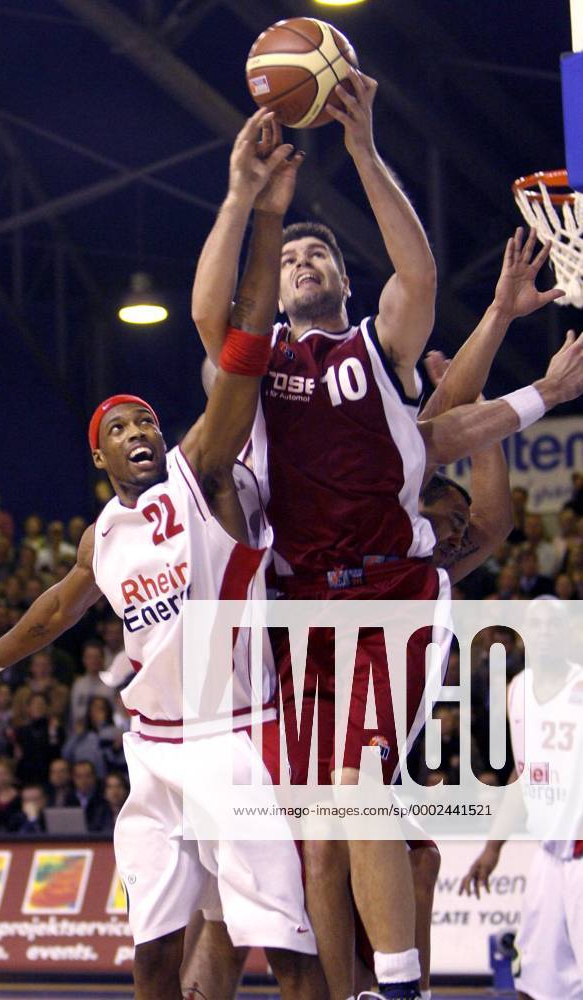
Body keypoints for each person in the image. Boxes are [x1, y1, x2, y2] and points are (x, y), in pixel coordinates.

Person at [192, 69, 576, 999]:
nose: (301, 262)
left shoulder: (378, 346)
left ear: (341, 277)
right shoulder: (256, 369)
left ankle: (400, 987)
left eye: (317, 253)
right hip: (296, 606)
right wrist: (241, 199)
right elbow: (212, 318)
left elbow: (419, 279)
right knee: (323, 830)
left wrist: (362, 147)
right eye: (289, 256)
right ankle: (356, 989)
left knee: (359, 780)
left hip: (390, 593)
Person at [0, 110, 323, 1000]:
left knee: (280, 940)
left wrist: (264, 216)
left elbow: (243, 351)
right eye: (121, 427)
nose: (141, 431)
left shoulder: (202, 474)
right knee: (151, 950)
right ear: (99, 455)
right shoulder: (102, 536)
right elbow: (60, 608)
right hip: (151, 751)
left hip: (234, 736)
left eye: (147, 419)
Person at [460, 598, 583, 1000]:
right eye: (536, 623)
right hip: (549, 857)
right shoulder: (517, 690)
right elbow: (520, 775)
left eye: (553, 624)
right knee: (532, 982)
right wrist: (493, 848)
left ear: (568, 632)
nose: (544, 631)